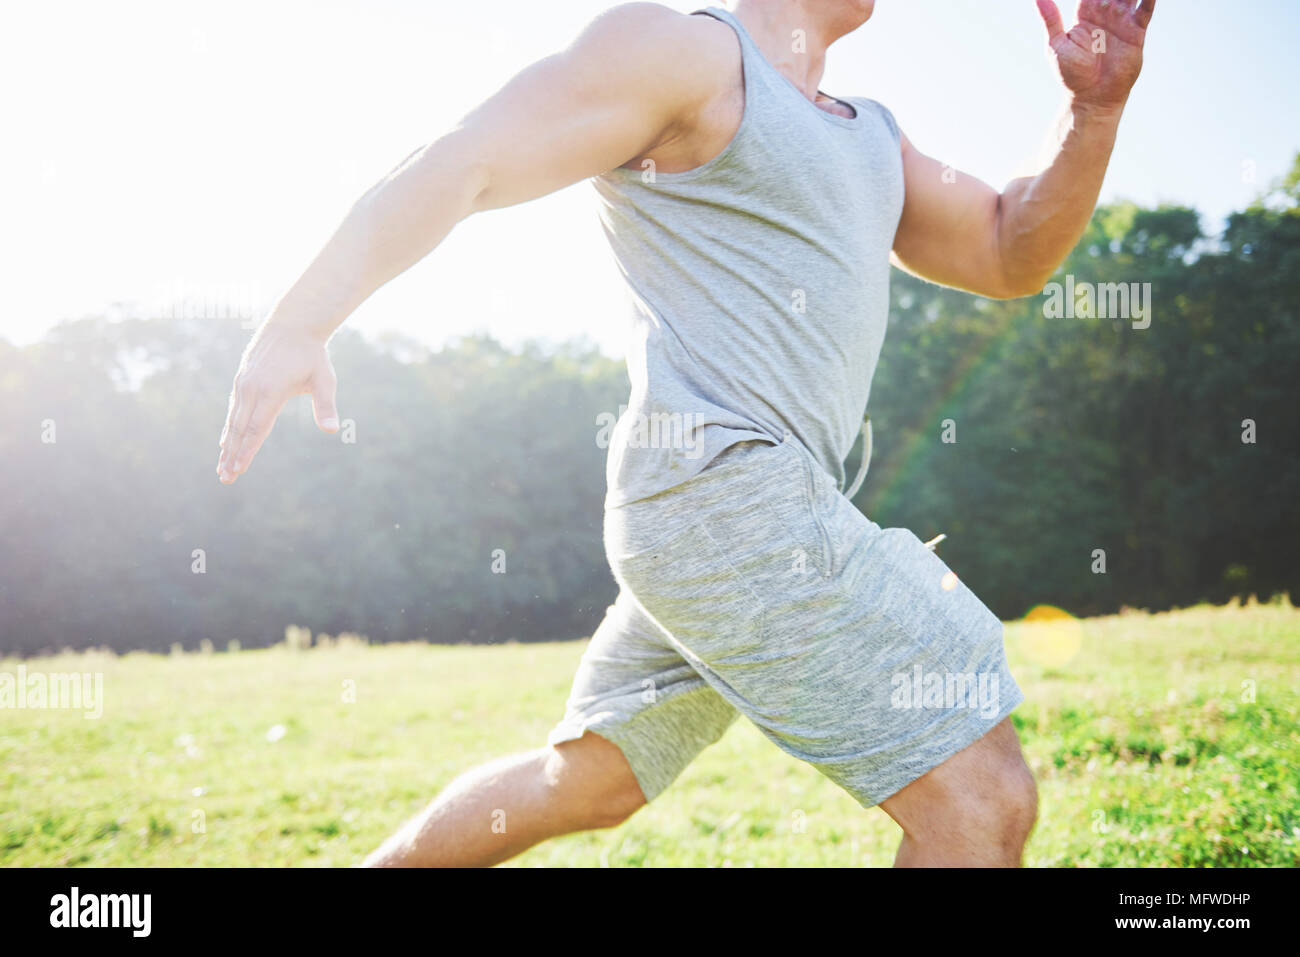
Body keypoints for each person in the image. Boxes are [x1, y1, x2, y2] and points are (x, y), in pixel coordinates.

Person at [216, 0, 1155, 867]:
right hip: (726, 492)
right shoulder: (686, 56)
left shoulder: (870, 133)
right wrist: (300, 321)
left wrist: (1097, 111)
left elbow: (1008, 248)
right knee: (979, 794)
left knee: (588, 781)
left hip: (739, 511)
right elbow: (470, 158)